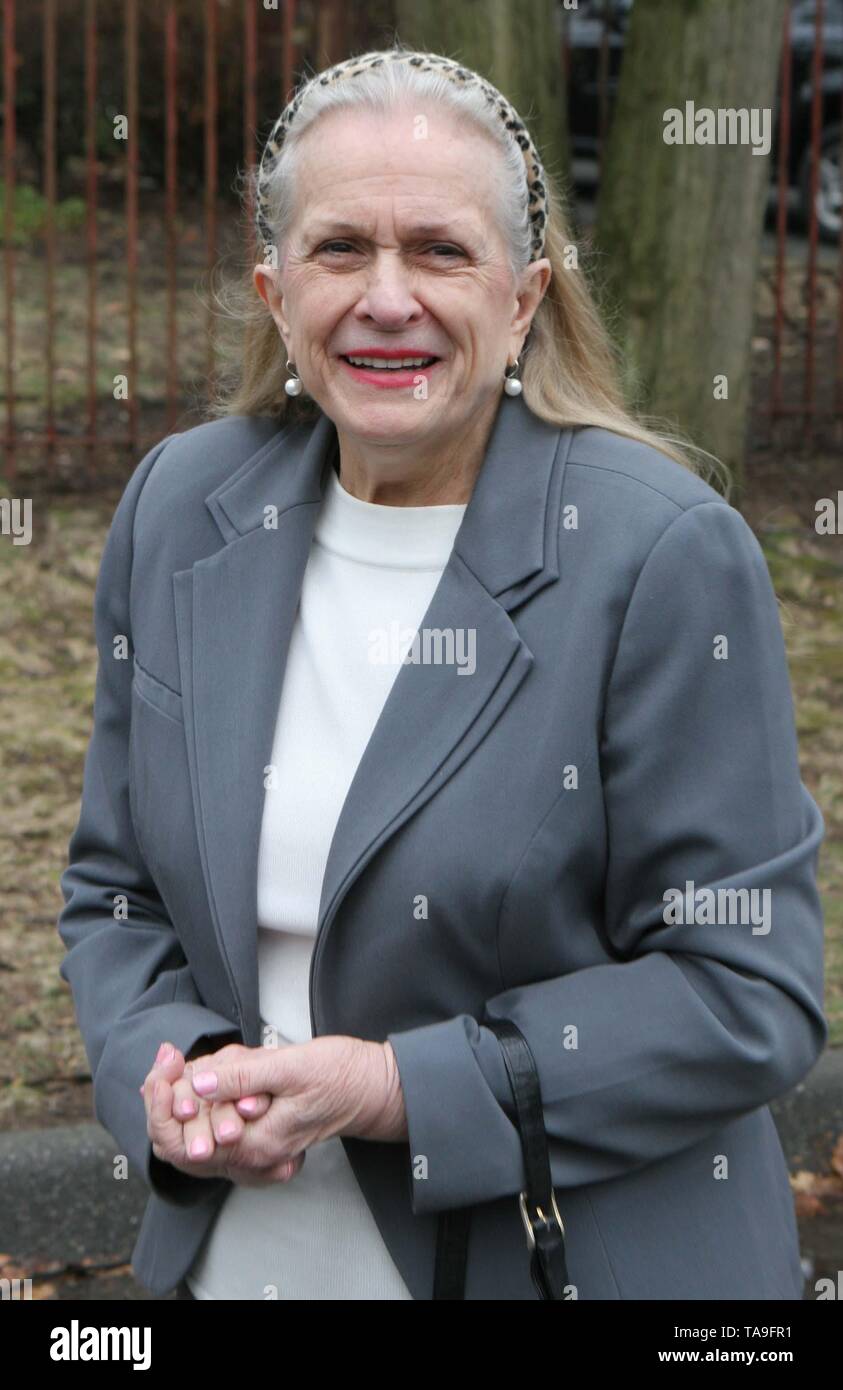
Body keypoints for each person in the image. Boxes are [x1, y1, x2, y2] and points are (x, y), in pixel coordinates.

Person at [57, 46, 827, 1301]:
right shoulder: (180, 506)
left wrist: (397, 1088)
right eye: (340, 249)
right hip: (237, 1264)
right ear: (274, 291)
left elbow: (748, 991)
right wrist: (169, 1062)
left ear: (523, 299)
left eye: (439, 251)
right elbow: (115, 892)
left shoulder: (661, 554)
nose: (387, 297)